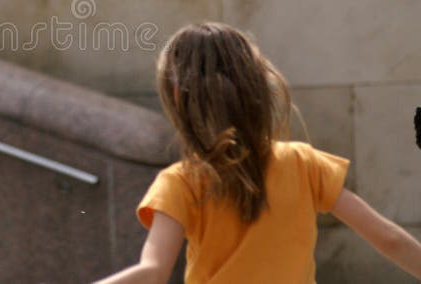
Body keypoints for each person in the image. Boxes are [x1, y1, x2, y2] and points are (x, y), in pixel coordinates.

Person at [95, 22, 421, 284]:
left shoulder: (180, 182)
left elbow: (152, 273)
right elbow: (388, 238)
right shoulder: (303, 163)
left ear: (177, 95)